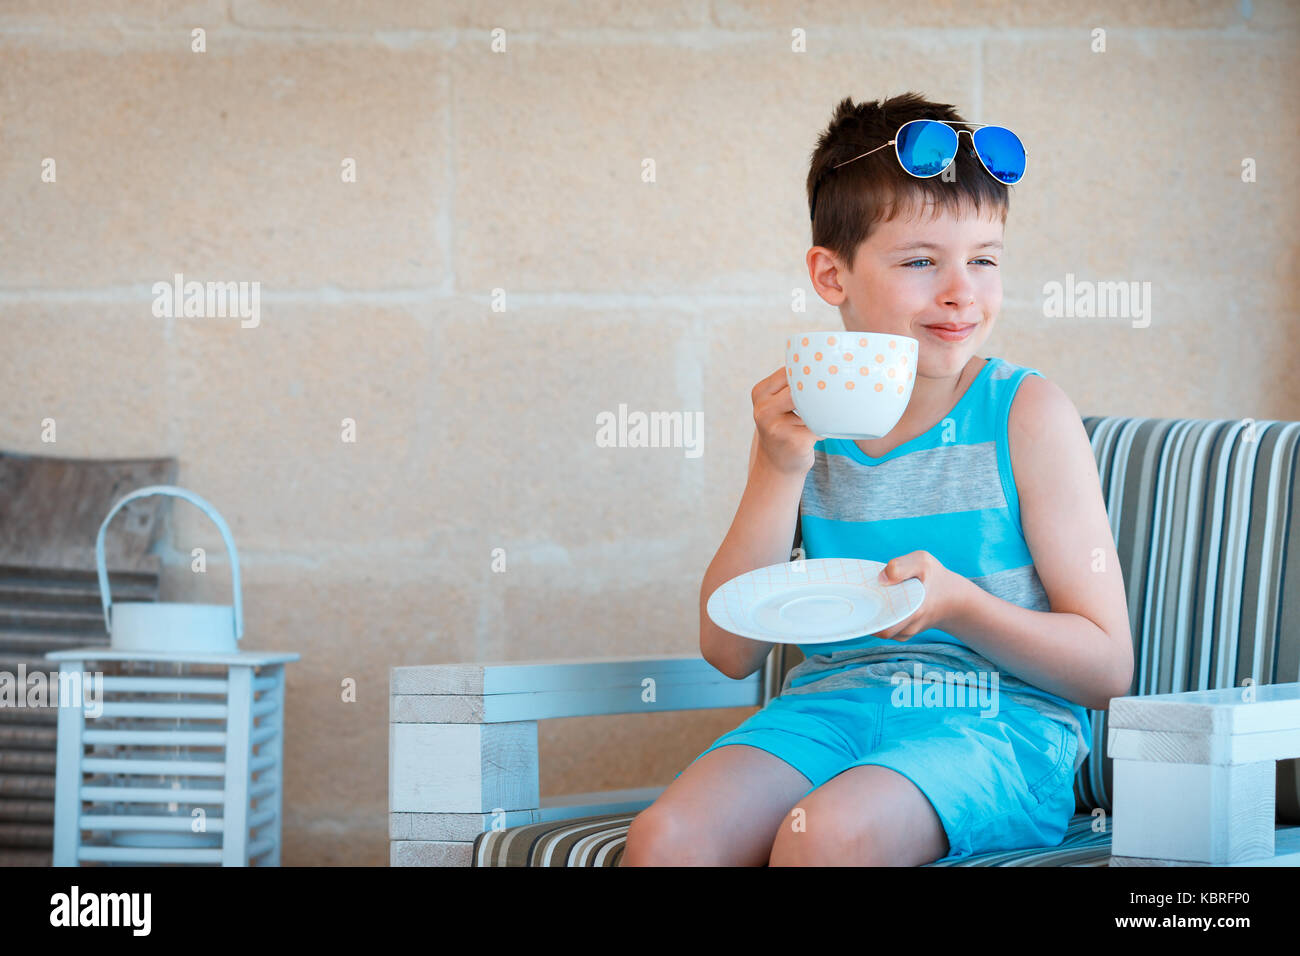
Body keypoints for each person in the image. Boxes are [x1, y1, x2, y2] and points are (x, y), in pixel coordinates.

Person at [622, 92, 1134, 867]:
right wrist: (777, 464)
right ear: (832, 275)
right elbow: (729, 651)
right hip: (831, 709)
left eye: (985, 258)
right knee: (668, 840)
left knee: (826, 833)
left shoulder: (1025, 413)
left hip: (996, 725)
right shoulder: (806, 420)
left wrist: (958, 603)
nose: (962, 290)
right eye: (921, 261)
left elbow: (1106, 669)